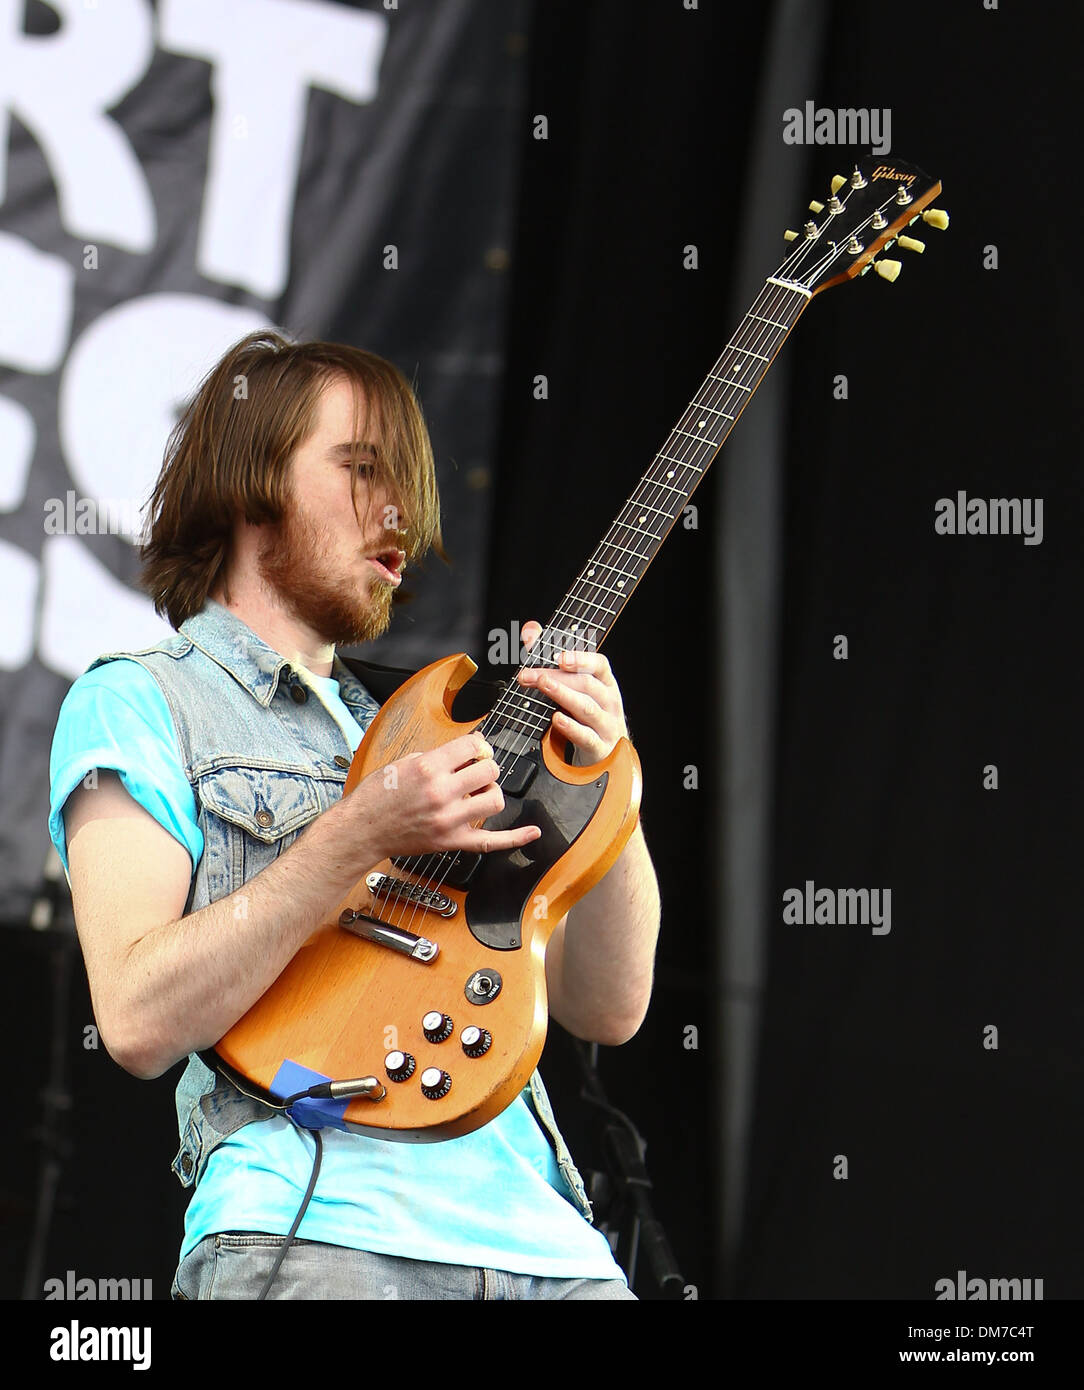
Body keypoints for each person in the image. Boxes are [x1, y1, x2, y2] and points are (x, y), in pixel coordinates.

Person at [48, 329, 662, 1301]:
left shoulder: (420, 723)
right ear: (251, 480)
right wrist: (358, 834)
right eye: (362, 469)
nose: (400, 514)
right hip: (315, 1236)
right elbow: (135, 1018)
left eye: (407, 484)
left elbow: (609, 1007)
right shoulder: (139, 699)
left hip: (552, 1247)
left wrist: (609, 780)